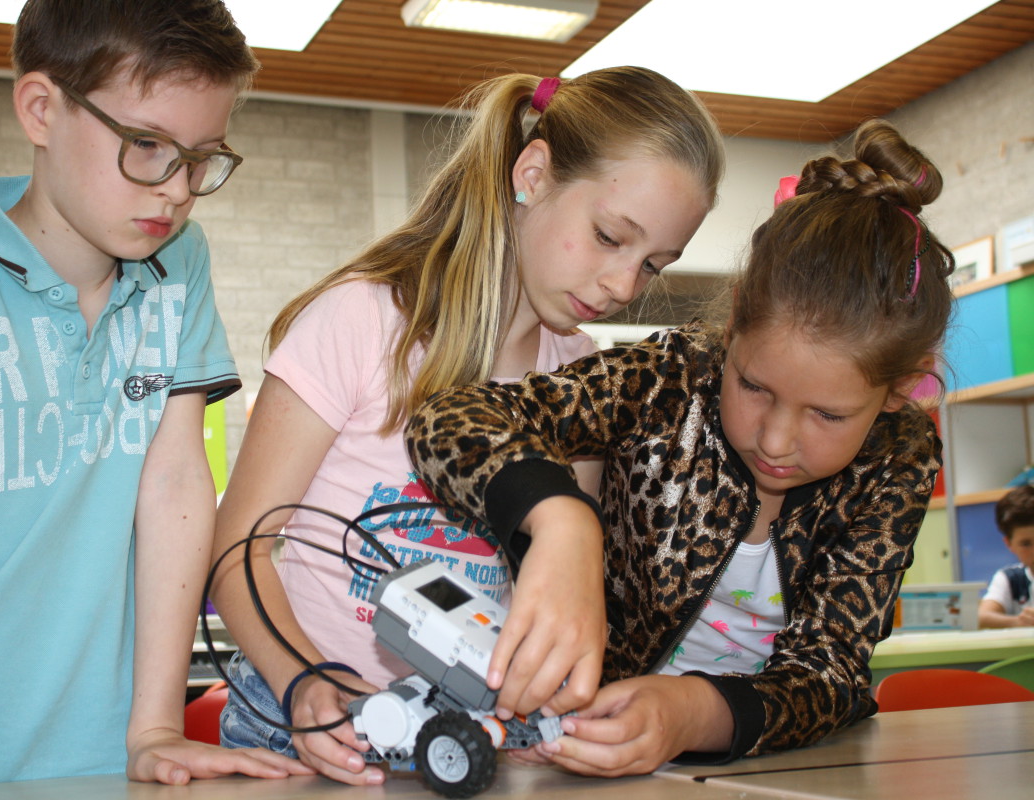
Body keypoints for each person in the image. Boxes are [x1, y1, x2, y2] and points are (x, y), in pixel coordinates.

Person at [0, 1, 311, 797]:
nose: (178, 191)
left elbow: (172, 484)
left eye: (202, 158)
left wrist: (157, 726)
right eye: (147, 146)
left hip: (95, 762)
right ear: (42, 109)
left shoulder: (176, 266)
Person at [207, 67, 725, 785]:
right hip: (299, 727)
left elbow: (552, 591)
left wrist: (544, 701)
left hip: (458, 735)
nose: (624, 285)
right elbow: (239, 547)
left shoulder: (579, 373)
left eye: (653, 265)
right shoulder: (361, 320)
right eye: (609, 237)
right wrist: (304, 682)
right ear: (534, 175)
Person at [404, 118, 953, 776]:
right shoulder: (670, 379)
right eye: (752, 385)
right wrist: (563, 521)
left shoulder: (899, 455)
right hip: (583, 744)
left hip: (770, 763)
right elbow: (451, 416)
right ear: (732, 326)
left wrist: (689, 712)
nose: (776, 439)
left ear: (899, 389)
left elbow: (828, 674)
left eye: (829, 415)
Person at [978, 484, 1034, 628]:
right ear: (1009, 544)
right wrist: (1018, 622)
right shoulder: (1011, 579)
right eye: (1026, 544)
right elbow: (982, 616)